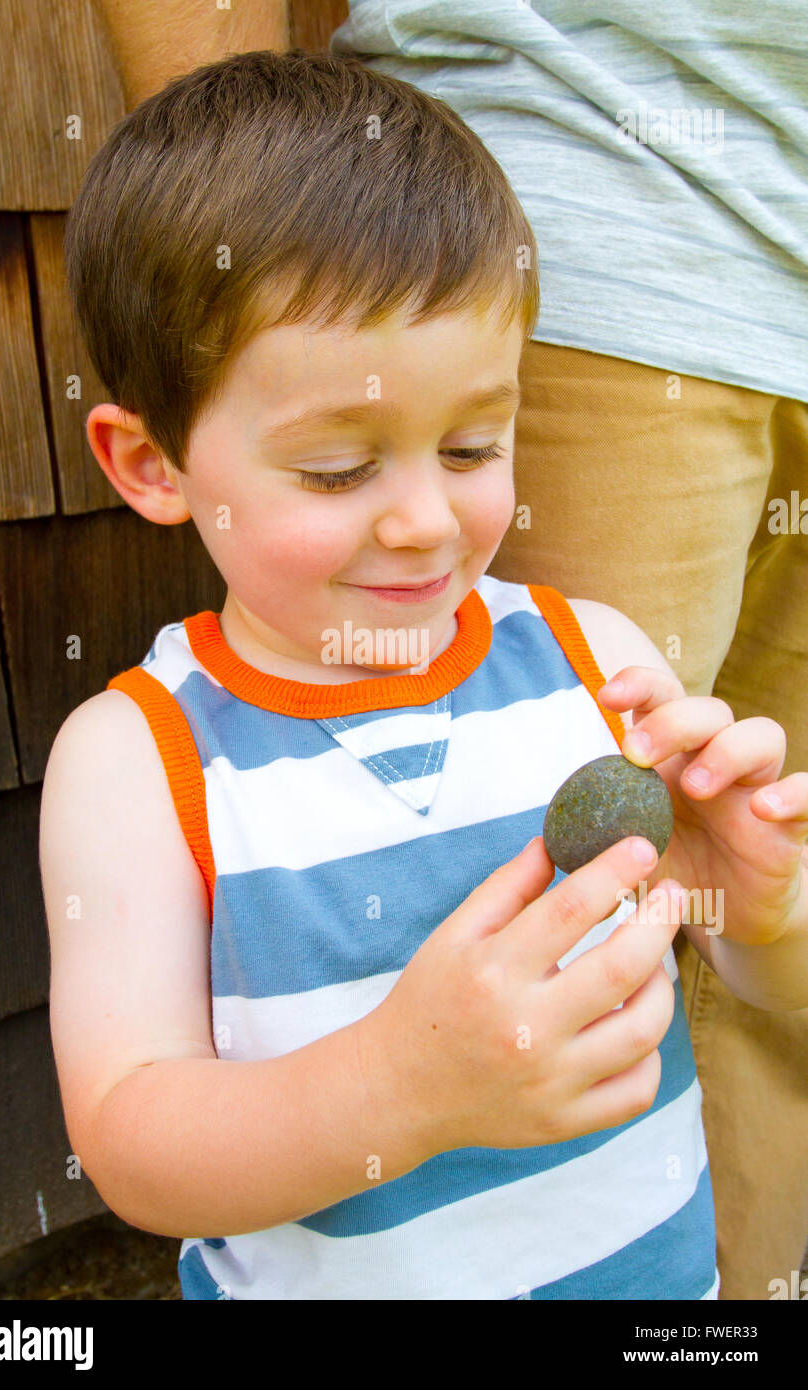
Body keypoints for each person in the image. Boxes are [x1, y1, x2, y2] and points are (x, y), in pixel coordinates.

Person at [39, 49, 808, 1301]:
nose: (422, 522)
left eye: (471, 444)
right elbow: (134, 1140)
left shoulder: (592, 664)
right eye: (338, 468)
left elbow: (773, 989)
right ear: (153, 465)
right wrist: (401, 1090)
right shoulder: (140, 761)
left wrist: (759, 908)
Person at [329, 0, 808, 1301]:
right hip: (582, 238)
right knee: (513, 906)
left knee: (748, 911)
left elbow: (765, 957)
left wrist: (766, 919)